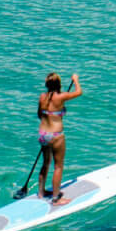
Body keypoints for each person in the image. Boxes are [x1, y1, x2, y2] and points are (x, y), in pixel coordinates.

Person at [36, 72, 83, 202]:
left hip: (43, 134)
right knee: (58, 166)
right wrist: (75, 79)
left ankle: (41, 193)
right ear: (59, 84)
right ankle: (56, 198)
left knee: (45, 163)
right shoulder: (61, 96)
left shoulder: (42, 97)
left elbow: (40, 115)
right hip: (56, 135)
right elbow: (79, 92)